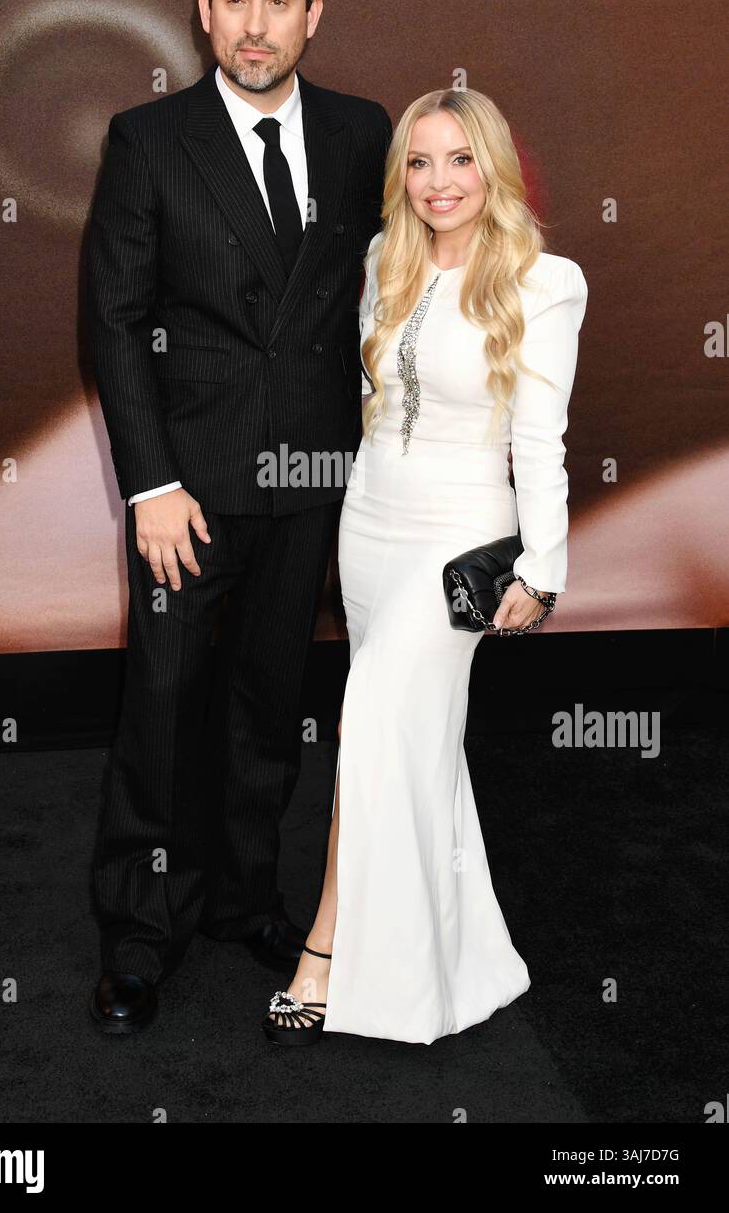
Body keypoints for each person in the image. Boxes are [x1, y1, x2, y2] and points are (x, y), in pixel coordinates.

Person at [87, 0, 392, 1033]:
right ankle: (136, 934)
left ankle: (244, 899)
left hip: (315, 486)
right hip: (189, 493)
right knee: (160, 709)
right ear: (201, 10)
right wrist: (149, 486)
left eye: (277, 1)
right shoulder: (145, 141)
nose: (253, 26)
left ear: (313, 11)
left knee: (271, 706)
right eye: (232, 1)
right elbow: (115, 324)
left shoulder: (367, 135)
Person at [262, 87, 588, 1045]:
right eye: (420, 161)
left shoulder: (544, 280)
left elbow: (542, 440)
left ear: (494, 167)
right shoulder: (383, 262)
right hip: (371, 522)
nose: (439, 182)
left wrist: (545, 567)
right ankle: (463, 957)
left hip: (458, 533)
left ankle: (325, 953)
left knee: (369, 731)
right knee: (417, 752)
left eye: (460, 159)